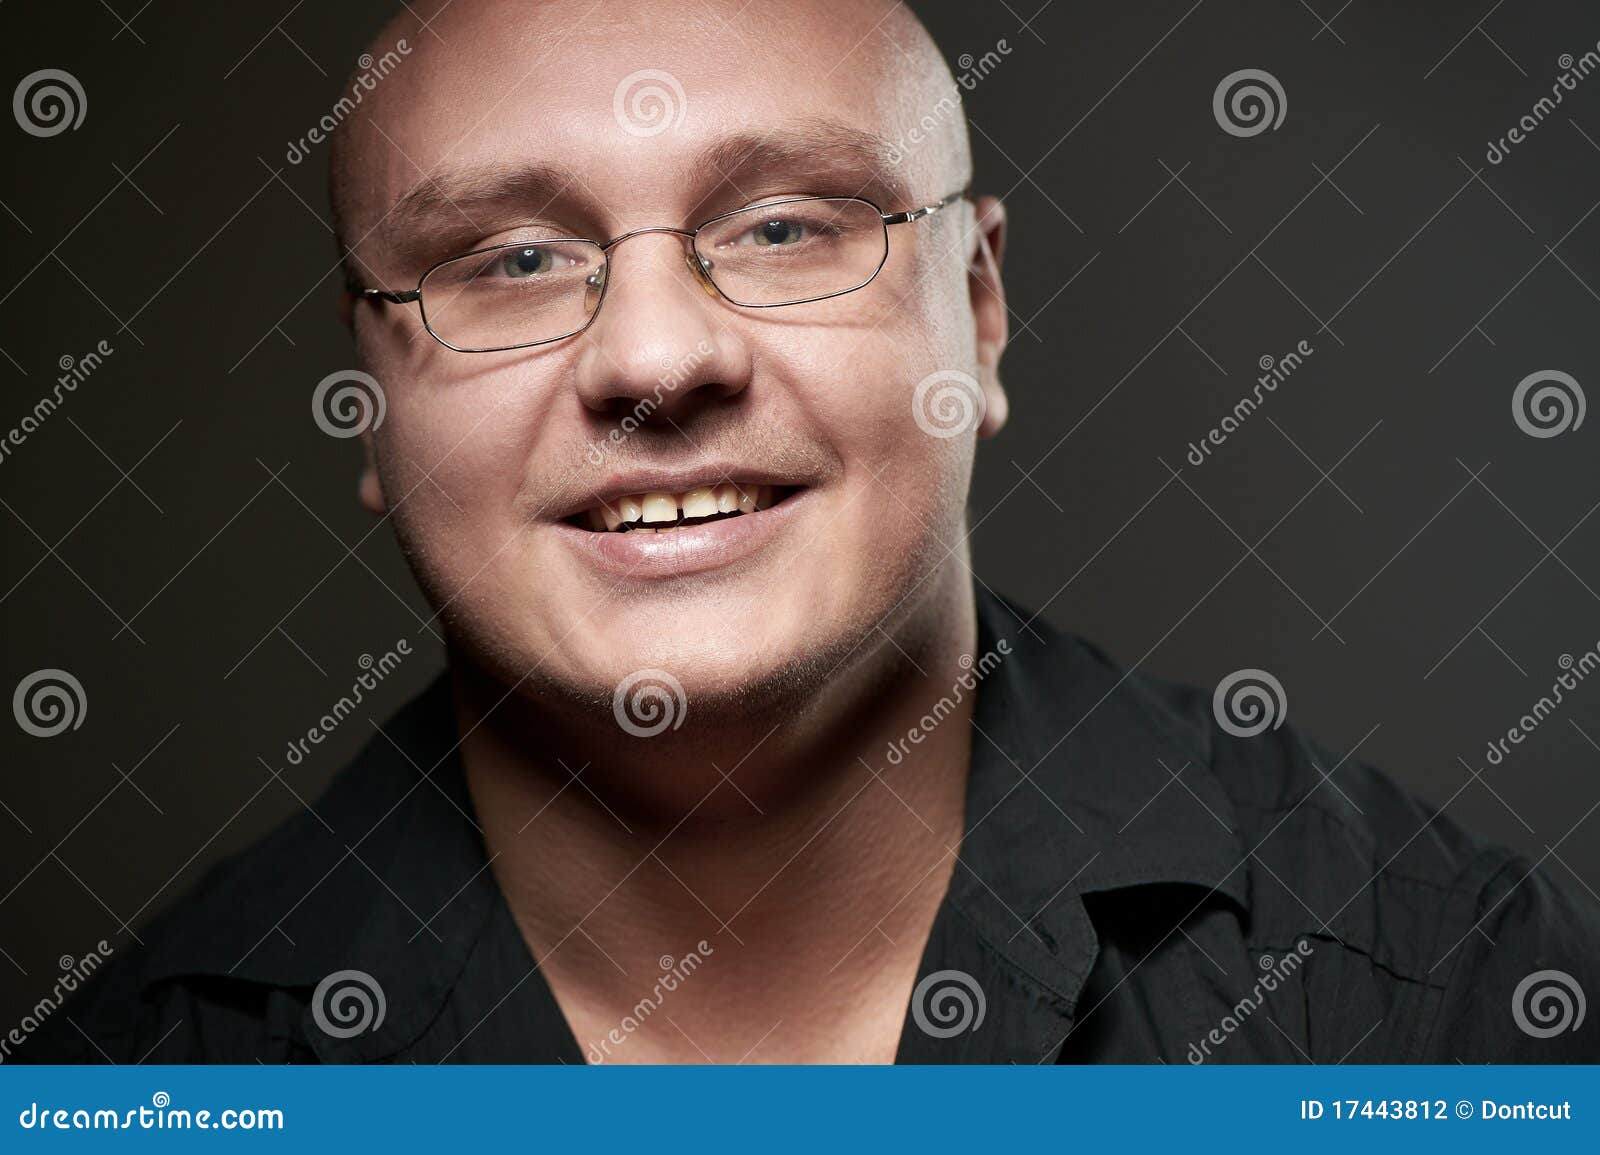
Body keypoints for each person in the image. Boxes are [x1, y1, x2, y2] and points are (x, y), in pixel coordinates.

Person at [23, 0, 1599, 1064]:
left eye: (784, 228)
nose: (655, 360)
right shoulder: (143, 1079)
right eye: (507, 258)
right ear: (370, 394)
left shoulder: (1454, 1010)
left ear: (977, 314)